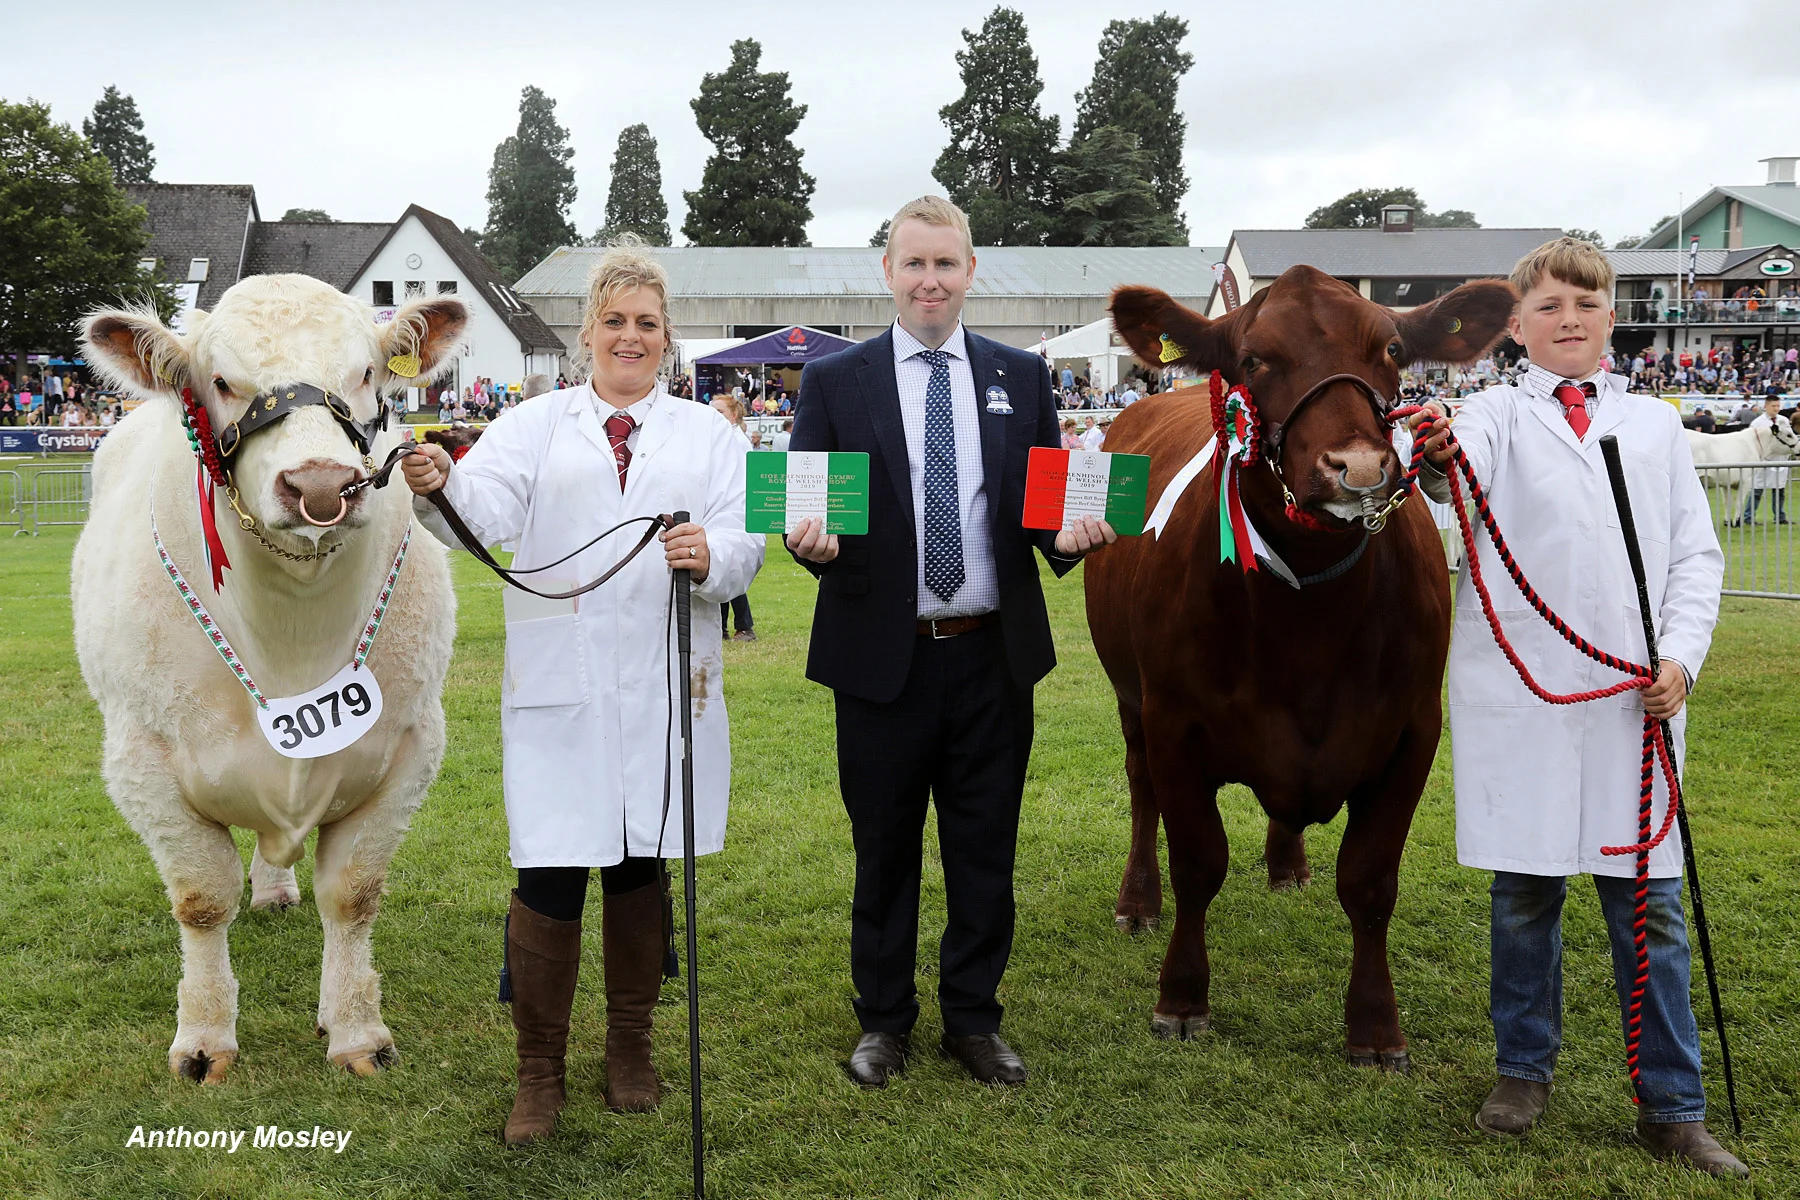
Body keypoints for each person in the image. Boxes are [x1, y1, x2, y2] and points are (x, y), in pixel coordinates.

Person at [401, 241, 764, 1148]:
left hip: (666, 678)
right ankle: (539, 1073)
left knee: (642, 859)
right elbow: (480, 515)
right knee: (551, 868)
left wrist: (712, 555)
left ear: (667, 337)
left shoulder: (710, 435)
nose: (630, 337)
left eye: (646, 323)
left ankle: (631, 1048)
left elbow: (745, 541)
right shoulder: (533, 425)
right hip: (560, 682)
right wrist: (441, 485)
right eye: (614, 322)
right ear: (586, 333)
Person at [1409, 238, 1741, 1177]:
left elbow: (1693, 557)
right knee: (1525, 894)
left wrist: (1680, 657)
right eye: (1549, 306)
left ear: (1610, 319)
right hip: (1525, 696)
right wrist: (1432, 452)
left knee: (1652, 910)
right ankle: (1524, 1070)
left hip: (1636, 702)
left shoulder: (1655, 428)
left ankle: (1672, 1104)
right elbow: (1445, 475)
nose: (1568, 321)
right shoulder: (1491, 419)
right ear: (1517, 325)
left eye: (1584, 306)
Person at [786, 196, 1114, 1091]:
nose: (930, 280)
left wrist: (1070, 538)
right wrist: (805, 542)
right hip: (880, 661)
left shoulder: (1023, 377)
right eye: (913, 263)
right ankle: (883, 1023)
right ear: (887, 273)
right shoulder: (834, 381)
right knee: (883, 850)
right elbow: (810, 515)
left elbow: (1044, 516)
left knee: (984, 849)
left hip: (991, 657)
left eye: (946, 264)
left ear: (971, 272)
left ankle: (973, 1018)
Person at [1733, 396, 1792, 526]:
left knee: (1779, 490)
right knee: (1756, 490)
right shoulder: (1758, 423)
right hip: (1764, 460)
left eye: (1778, 406)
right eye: (1773, 406)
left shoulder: (1784, 421)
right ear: (1766, 406)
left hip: (1780, 460)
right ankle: (1748, 517)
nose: (1776, 408)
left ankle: (1780, 516)